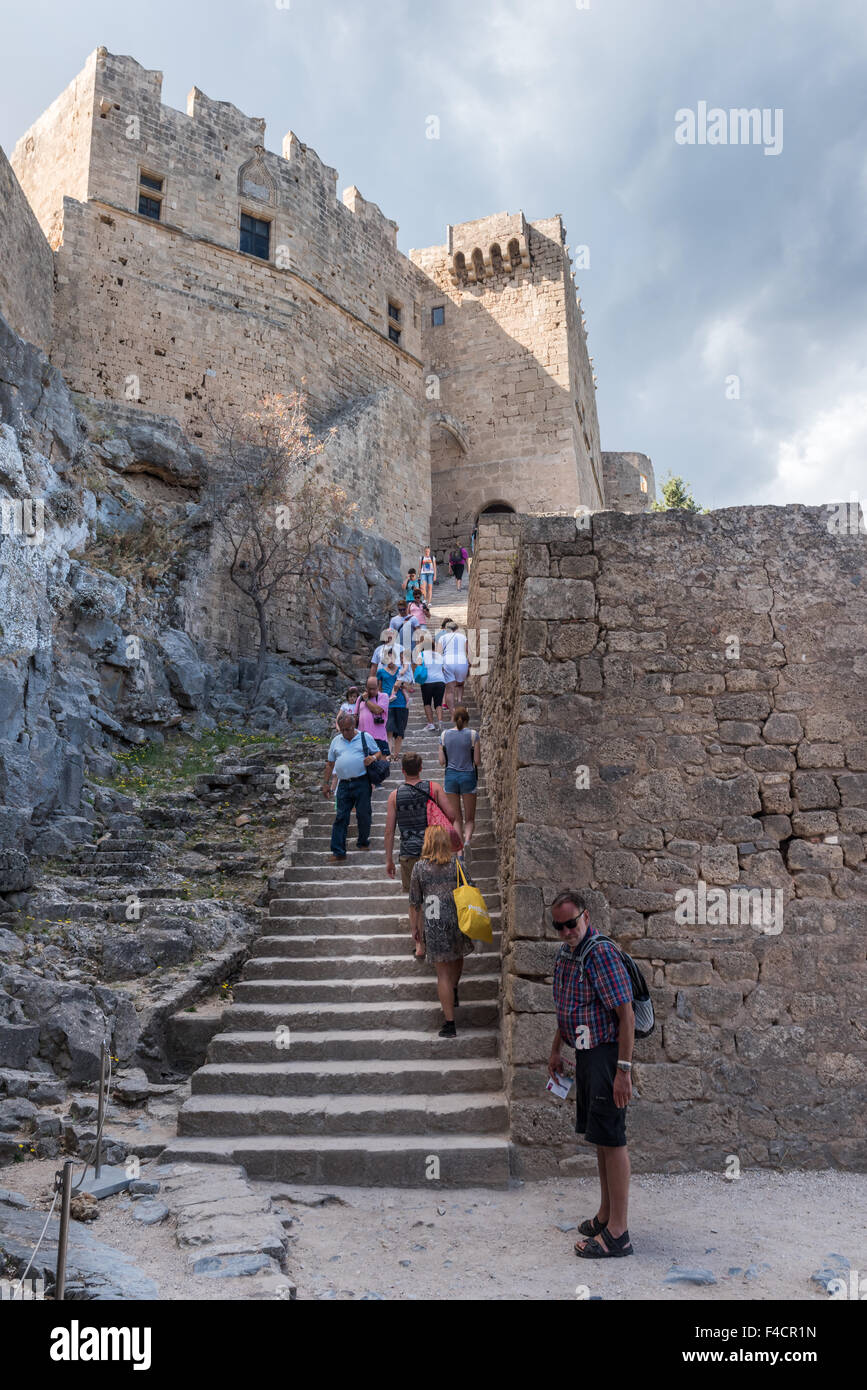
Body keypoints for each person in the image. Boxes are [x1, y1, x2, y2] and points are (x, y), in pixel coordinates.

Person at [548, 890, 635, 1259]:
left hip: (605, 1056)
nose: (566, 930)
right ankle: (605, 1214)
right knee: (600, 1137)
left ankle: (619, 1233)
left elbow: (626, 1016)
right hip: (585, 1055)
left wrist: (623, 1070)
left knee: (612, 1139)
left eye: (571, 922)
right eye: (559, 926)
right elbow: (567, 1007)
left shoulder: (600, 953)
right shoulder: (568, 954)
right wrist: (556, 1048)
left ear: (586, 915)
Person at [384, 752, 456, 954]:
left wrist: (389, 860)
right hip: (433, 852)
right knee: (432, 896)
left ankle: (419, 944)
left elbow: (389, 830)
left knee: (415, 900)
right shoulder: (434, 788)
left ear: (403, 770)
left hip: (408, 854)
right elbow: (451, 815)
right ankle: (434, 936)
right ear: (421, 767)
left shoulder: (394, 796)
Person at [408, 826, 475, 1037]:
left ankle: (449, 1024)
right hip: (456, 920)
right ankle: (454, 989)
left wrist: (415, 929)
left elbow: (414, 903)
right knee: (457, 957)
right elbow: (471, 888)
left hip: (434, 921)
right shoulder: (457, 864)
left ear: (427, 842)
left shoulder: (419, 868)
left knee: (442, 974)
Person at [321, 712, 385, 862]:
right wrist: (325, 784)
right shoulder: (336, 741)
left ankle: (363, 841)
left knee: (364, 814)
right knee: (340, 817)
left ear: (354, 725)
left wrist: (373, 757)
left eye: (348, 729)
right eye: (342, 730)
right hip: (343, 783)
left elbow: (379, 752)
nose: (345, 733)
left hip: (362, 781)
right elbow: (330, 763)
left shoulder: (364, 737)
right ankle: (338, 851)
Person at [439, 706, 480, 846]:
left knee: (456, 819)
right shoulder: (473, 735)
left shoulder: (444, 735)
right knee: (469, 819)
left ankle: (460, 849)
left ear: (453, 718)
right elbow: (477, 761)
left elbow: (441, 761)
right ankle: (468, 841)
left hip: (450, 777)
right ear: (467, 720)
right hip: (468, 777)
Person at [415, 630, 446, 732]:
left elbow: (418, 665)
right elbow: (443, 669)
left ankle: (431, 724)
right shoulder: (439, 655)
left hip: (427, 682)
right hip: (440, 681)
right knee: (438, 703)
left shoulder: (422, 654)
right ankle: (440, 722)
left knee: (427, 703)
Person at [354, 676, 391, 756]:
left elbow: (377, 710)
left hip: (379, 737)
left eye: (374, 688)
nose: (372, 691)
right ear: (366, 687)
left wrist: (366, 700)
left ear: (378, 687)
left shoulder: (383, 696)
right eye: (370, 688)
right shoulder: (360, 699)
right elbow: (355, 716)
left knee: (382, 766)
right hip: (363, 738)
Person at [386, 657, 414, 762]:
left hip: (401, 706)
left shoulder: (404, 667)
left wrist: (402, 682)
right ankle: (389, 754)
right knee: (389, 730)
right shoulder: (384, 671)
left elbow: (411, 688)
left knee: (399, 732)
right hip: (390, 706)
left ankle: (395, 754)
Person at [440, 619, 470, 716]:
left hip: (447, 661)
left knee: (449, 689)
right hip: (461, 661)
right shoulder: (463, 636)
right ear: (456, 629)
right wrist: (469, 663)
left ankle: (453, 713)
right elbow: (468, 651)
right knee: (460, 685)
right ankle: (460, 703)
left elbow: (438, 653)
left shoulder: (442, 637)